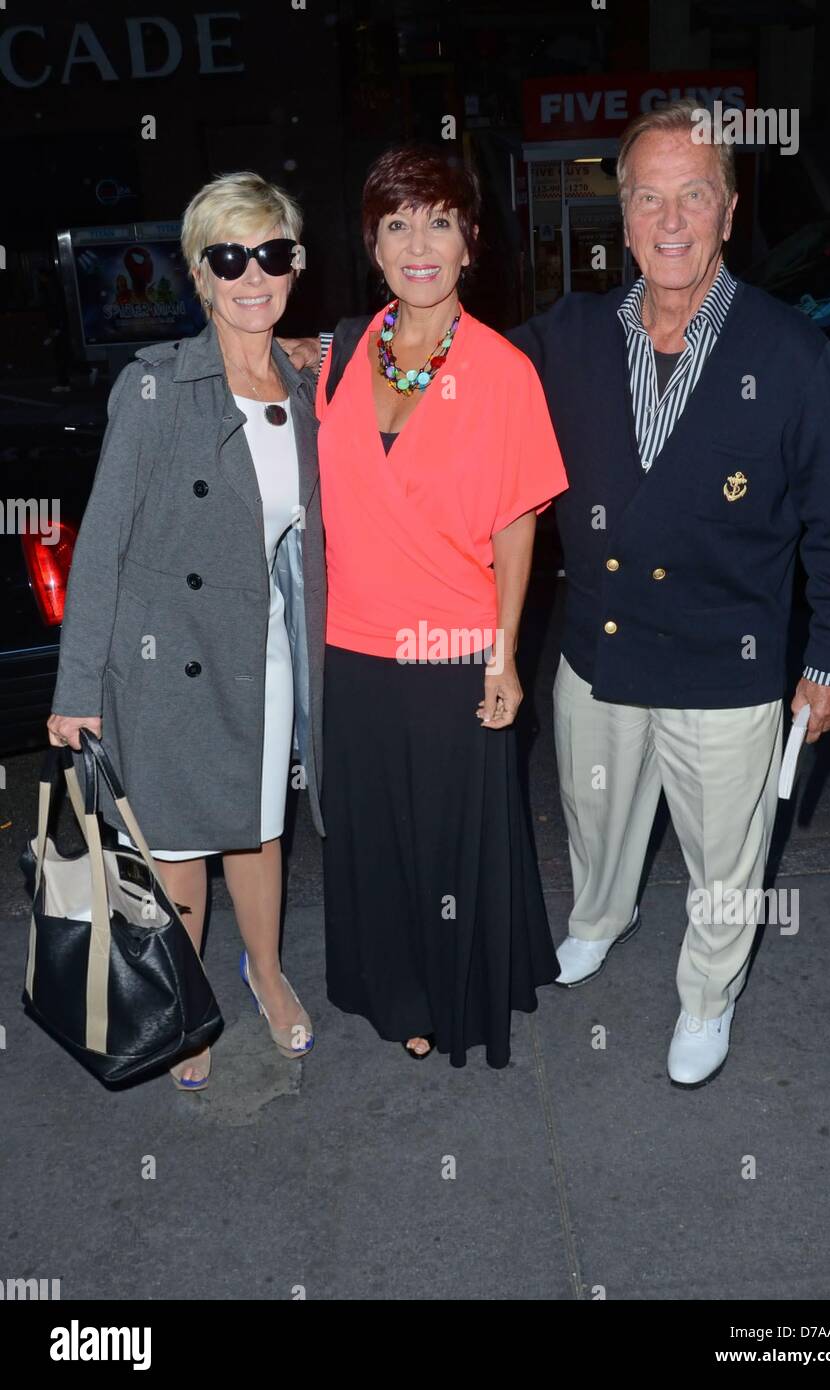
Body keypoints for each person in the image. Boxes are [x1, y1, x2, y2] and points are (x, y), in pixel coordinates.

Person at [506, 99, 830, 1086]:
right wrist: (339, 352)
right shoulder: (568, 334)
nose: (671, 221)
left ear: (727, 208)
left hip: (729, 666)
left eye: (694, 196)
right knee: (594, 815)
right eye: (648, 199)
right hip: (599, 651)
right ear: (621, 218)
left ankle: (707, 995)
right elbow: (452, 368)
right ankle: (600, 917)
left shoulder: (789, 352)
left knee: (727, 860)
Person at [47, 171, 325, 1090]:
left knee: (257, 828)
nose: (254, 275)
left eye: (272, 254)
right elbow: (103, 545)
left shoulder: (308, 381)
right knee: (176, 847)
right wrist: (77, 689)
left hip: (264, 648)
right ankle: (184, 995)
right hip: (163, 659)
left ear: (294, 265)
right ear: (200, 275)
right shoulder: (158, 386)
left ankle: (269, 974)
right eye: (230, 257)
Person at [311, 144, 568, 1067]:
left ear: (470, 243)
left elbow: (516, 527)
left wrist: (503, 656)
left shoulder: (503, 370)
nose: (419, 242)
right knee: (375, 831)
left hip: (452, 645)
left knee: (451, 834)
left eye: (440, 221)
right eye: (396, 223)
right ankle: (395, 985)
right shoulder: (340, 351)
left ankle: (450, 991)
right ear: (373, 245)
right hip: (350, 646)